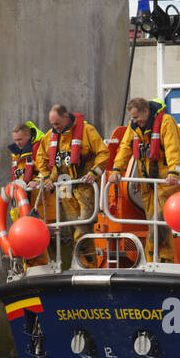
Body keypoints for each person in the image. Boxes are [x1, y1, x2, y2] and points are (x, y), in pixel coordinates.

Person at [107, 97, 180, 262]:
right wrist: (116, 169)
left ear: (146, 112)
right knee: (152, 220)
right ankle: (152, 259)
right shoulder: (134, 126)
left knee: (161, 219)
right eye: (132, 118)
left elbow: (172, 148)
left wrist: (174, 172)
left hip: (166, 180)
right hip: (146, 181)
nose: (134, 121)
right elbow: (125, 148)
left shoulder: (165, 122)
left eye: (136, 117)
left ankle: (164, 259)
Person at [34, 104, 109, 258]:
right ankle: (78, 261)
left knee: (83, 225)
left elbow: (103, 153)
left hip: (85, 185)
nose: (55, 127)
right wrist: (47, 178)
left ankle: (86, 262)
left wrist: (94, 173)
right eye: (52, 124)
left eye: (57, 123)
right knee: (69, 226)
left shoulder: (87, 131)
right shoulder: (50, 136)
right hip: (64, 183)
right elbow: (40, 159)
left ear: (66, 117)